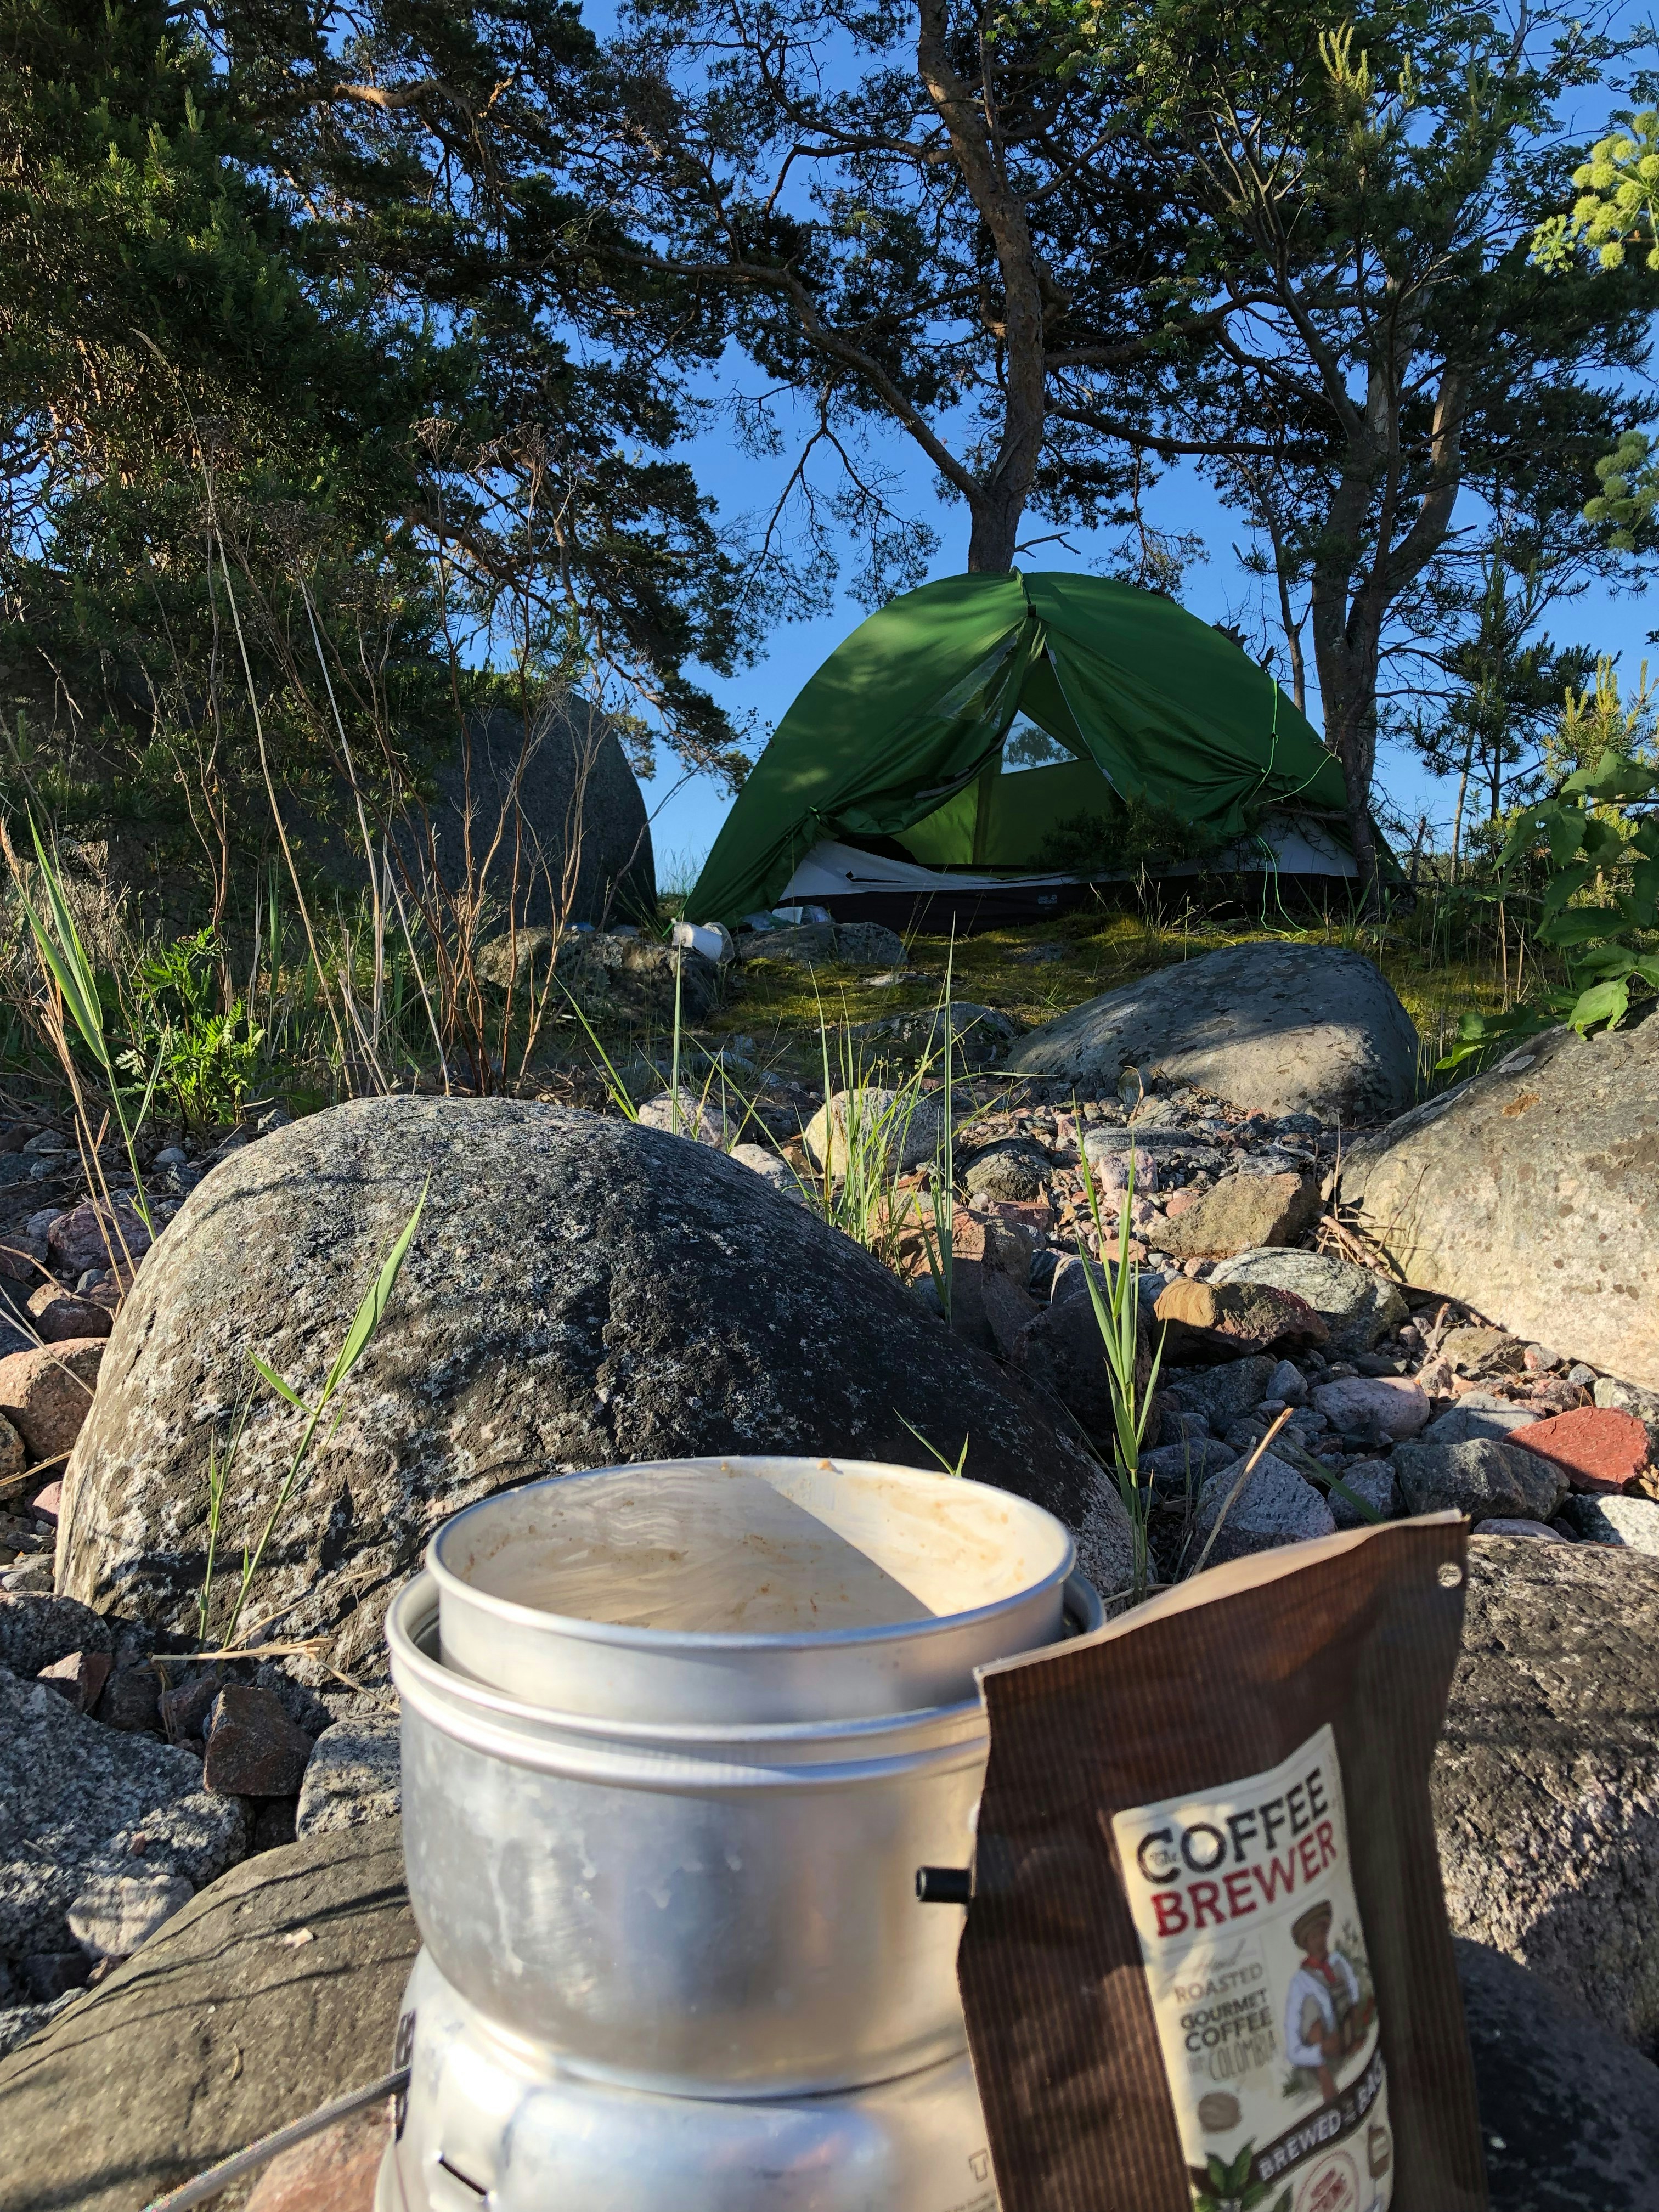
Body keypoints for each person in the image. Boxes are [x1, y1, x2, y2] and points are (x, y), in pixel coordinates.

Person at [1284, 1901, 1374, 2104]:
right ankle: (1324, 2073)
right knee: (1312, 2005)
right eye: (1313, 1937)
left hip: (1345, 2032)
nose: (1319, 1941)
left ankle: (1350, 2046)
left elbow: (1355, 1996)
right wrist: (1320, 2050)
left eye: (1321, 1934)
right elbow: (1293, 2049)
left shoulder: (1338, 1962)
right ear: (1306, 1944)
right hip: (1321, 2045)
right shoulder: (1300, 1982)